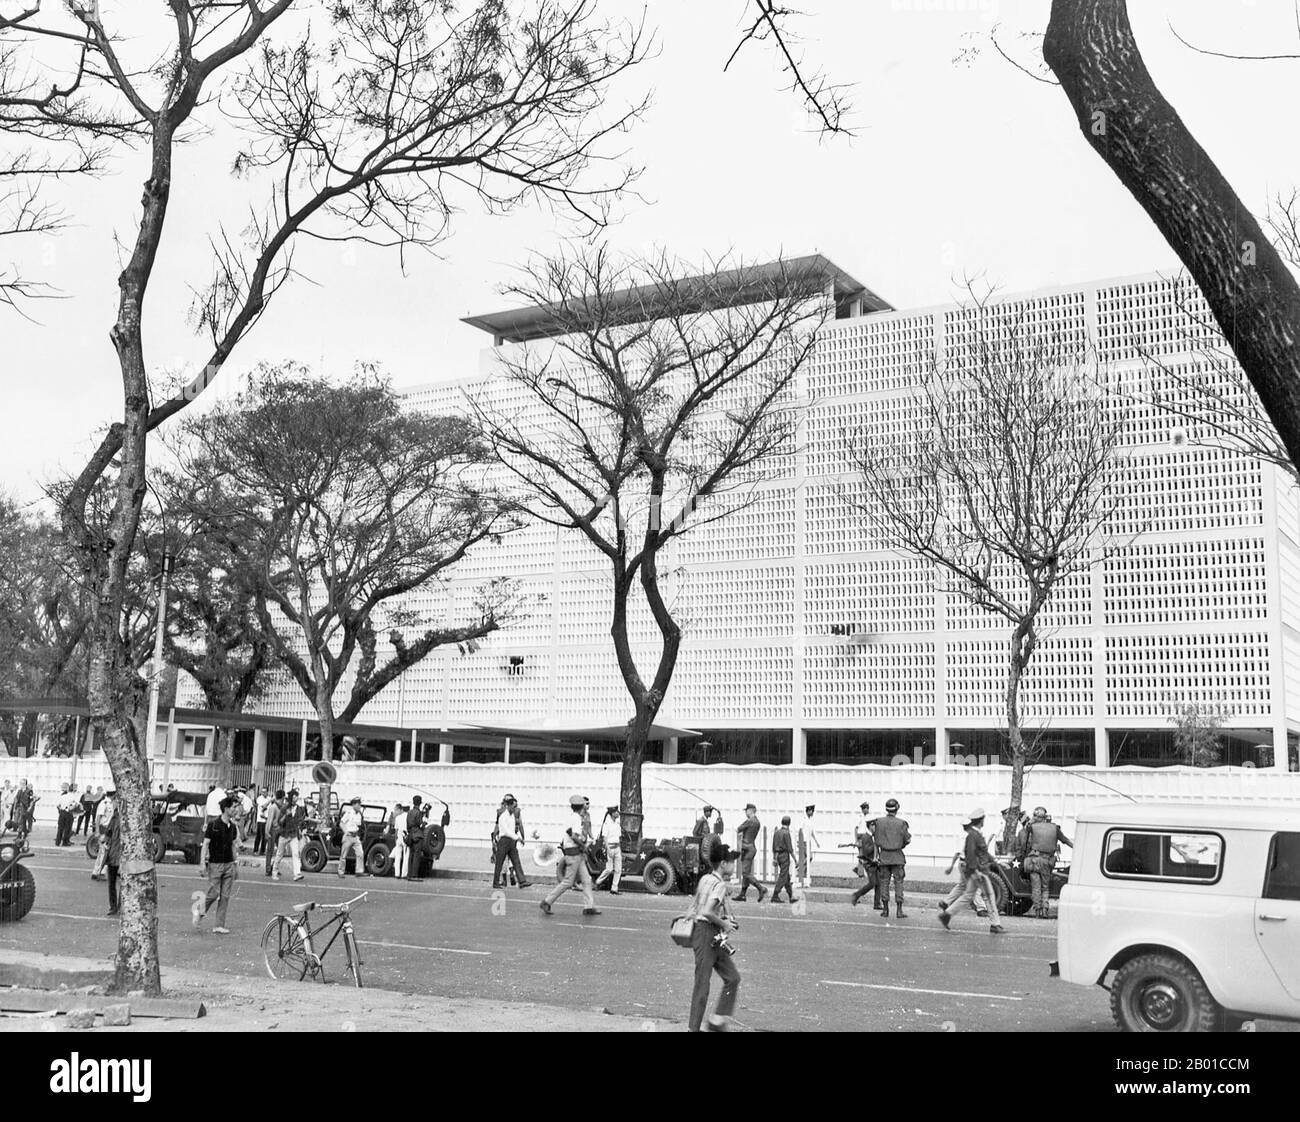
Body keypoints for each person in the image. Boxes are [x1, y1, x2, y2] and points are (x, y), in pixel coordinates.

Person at [686, 836, 742, 1032]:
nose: (734, 865)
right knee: (702, 985)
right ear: (723, 864)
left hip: (711, 936)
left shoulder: (705, 879)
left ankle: (717, 1020)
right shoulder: (719, 885)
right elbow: (708, 911)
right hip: (706, 933)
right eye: (732, 862)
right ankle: (693, 1029)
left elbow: (695, 905)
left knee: (732, 977)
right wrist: (725, 924)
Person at [939, 809, 1005, 934]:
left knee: (968, 896)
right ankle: (995, 924)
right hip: (979, 872)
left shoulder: (976, 834)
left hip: (978, 871)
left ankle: (946, 915)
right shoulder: (973, 836)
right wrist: (976, 872)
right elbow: (970, 856)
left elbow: (982, 852)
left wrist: (993, 861)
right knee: (989, 896)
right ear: (980, 821)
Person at [539, 794, 599, 917]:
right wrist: (583, 846)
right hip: (574, 853)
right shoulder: (576, 818)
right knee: (568, 882)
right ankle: (547, 901)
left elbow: (569, 833)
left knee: (586, 880)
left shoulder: (571, 817)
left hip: (576, 853)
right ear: (581, 807)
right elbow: (574, 836)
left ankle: (589, 906)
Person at [1016, 806, 1073, 918]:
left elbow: (1024, 844)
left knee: (1036, 886)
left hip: (1033, 860)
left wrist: (1022, 856)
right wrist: (1076, 847)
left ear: (1036, 816)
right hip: (1047, 861)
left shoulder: (1031, 827)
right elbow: (1065, 840)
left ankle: (1037, 910)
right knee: (1045, 887)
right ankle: (1045, 909)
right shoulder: (1054, 828)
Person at [194, 796, 239, 934]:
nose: (235, 810)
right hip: (215, 864)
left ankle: (219, 925)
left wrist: (235, 864)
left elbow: (232, 845)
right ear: (226, 809)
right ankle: (200, 911)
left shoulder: (232, 827)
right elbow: (205, 844)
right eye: (233, 807)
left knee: (225, 896)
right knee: (213, 894)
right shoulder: (213, 825)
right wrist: (202, 863)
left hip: (229, 864)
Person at [871, 798, 910, 918]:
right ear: (897, 808)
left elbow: (876, 841)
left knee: (884, 882)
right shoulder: (902, 823)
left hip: (884, 857)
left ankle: (886, 910)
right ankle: (899, 910)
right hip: (897, 856)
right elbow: (907, 840)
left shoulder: (879, 822)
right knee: (899, 882)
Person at [492, 794, 531, 889]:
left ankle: (522, 881)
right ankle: (496, 882)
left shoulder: (512, 816)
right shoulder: (503, 817)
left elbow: (513, 830)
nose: (515, 809)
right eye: (513, 807)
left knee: (516, 860)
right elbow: (506, 831)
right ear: (508, 806)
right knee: (499, 862)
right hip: (504, 840)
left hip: (511, 841)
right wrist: (517, 838)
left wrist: (517, 838)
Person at [732, 804, 767, 903]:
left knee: (745, 873)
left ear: (751, 811)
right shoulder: (757, 822)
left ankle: (761, 888)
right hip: (751, 847)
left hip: (747, 848)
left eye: (746, 811)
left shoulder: (750, 821)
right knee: (746, 872)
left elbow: (738, 828)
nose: (745, 812)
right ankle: (742, 894)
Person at [850, 802, 881, 909]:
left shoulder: (873, 836)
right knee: (872, 883)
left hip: (874, 863)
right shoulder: (866, 838)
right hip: (869, 863)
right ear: (869, 826)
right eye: (873, 825)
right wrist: (875, 846)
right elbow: (867, 850)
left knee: (878, 883)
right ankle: (856, 895)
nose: (875, 827)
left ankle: (877, 904)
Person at [270, 789, 304, 881]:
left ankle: (297, 873)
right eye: (294, 796)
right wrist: (286, 815)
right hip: (284, 834)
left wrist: (299, 830)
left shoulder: (299, 809)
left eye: (296, 796)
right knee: (279, 854)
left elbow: (299, 821)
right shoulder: (284, 808)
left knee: (296, 853)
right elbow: (279, 822)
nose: (296, 798)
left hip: (293, 834)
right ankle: (274, 872)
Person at [593, 806, 622, 894]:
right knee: (609, 869)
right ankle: (598, 882)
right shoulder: (607, 823)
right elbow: (605, 837)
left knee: (618, 869)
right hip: (610, 847)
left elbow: (618, 837)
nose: (618, 813)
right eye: (616, 812)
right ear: (612, 813)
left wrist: (619, 848)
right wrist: (608, 849)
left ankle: (614, 888)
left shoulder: (617, 823)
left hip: (617, 847)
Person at [337, 796, 367, 878]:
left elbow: (359, 826)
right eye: (358, 804)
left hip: (355, 836)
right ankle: (341, 871)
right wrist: (345, 831)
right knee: (344, 855)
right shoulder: (349, 813)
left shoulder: (359, 814)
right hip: (348, 836)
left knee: (360, 853)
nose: (359, 806)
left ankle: (359, 871)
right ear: (354, 805)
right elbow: (341, 823)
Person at [771, 815, 797, 904]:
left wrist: (774, 858)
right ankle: (775, 894)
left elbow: (773, 846)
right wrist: (795, 860)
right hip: (785, 856)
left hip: (778, 856)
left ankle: (791, 896)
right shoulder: (786, 833)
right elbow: (790, 849)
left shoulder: (777, 832)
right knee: (783, 876)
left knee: (786, 877)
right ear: (789, 823)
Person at [91, 790, 116, 880]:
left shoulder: (113, 803)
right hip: (104, 829)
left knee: (108, 853)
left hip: (110, 830)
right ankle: (96, 872)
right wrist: (97, 830)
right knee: (103, 852)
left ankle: (102, 872)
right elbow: (98, 817)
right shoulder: (104, 803)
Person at [104, 798, 122, 917]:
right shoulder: (114, 817)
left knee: (122, 883)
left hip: (122, 855)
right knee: (112, 883)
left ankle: (119, 906)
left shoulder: (126, 818)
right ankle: (113, 906)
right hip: (113, 854)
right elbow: (108, 833)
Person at [797, 804, 820, 888]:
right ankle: (800, 868)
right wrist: (798, 840)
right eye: (812, 811)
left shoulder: (810, 820)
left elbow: (812, 832)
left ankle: (802, 872)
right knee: (809, 857)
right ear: (808, 811)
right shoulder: (803, 819)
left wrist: (816, 842)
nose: (812, 813)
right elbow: (799, 830)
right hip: (803, 841)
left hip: (808, 841)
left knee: (808, 858)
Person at [263, 789, 285, 876]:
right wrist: (267, 831)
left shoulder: (280, 807)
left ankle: (274, 867)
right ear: (282, 797)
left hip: (279, 830)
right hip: (273, 830)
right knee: (270, 850)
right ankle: (268, 869)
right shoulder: (273, 807)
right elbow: (270, 820)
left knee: (281, 850)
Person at [405, 796, 426, 881]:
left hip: (410, 835)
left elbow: (407, 825)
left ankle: (409, 874)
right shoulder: (418, 813)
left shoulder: (409, 812)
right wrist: (424, 823)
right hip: (418, 835)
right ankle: (414, 875)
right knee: (417, 855)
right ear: (420, 802)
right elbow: (420, 825)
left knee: (411, 855)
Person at [390, 803, 410, 879]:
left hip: (399, 837)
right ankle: (404, 874)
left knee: (398, 857)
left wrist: (396, 839)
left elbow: (396, 830)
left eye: (396, 810)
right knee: (406, 856)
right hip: (405, 837)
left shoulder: (397, 818)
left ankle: (397, 874)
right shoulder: (408, 816)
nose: (395, 812)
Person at [253, 788, 271, 855]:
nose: (264, 793)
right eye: (262, 792)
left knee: (265, 836)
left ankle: (262, 850)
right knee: (259, 835)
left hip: (267, 819)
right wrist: (269, 801)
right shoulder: (259, 799)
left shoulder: (269, 798)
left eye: (265, 792)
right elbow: (263, 807)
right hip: (260, 820)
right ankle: (255, 850)